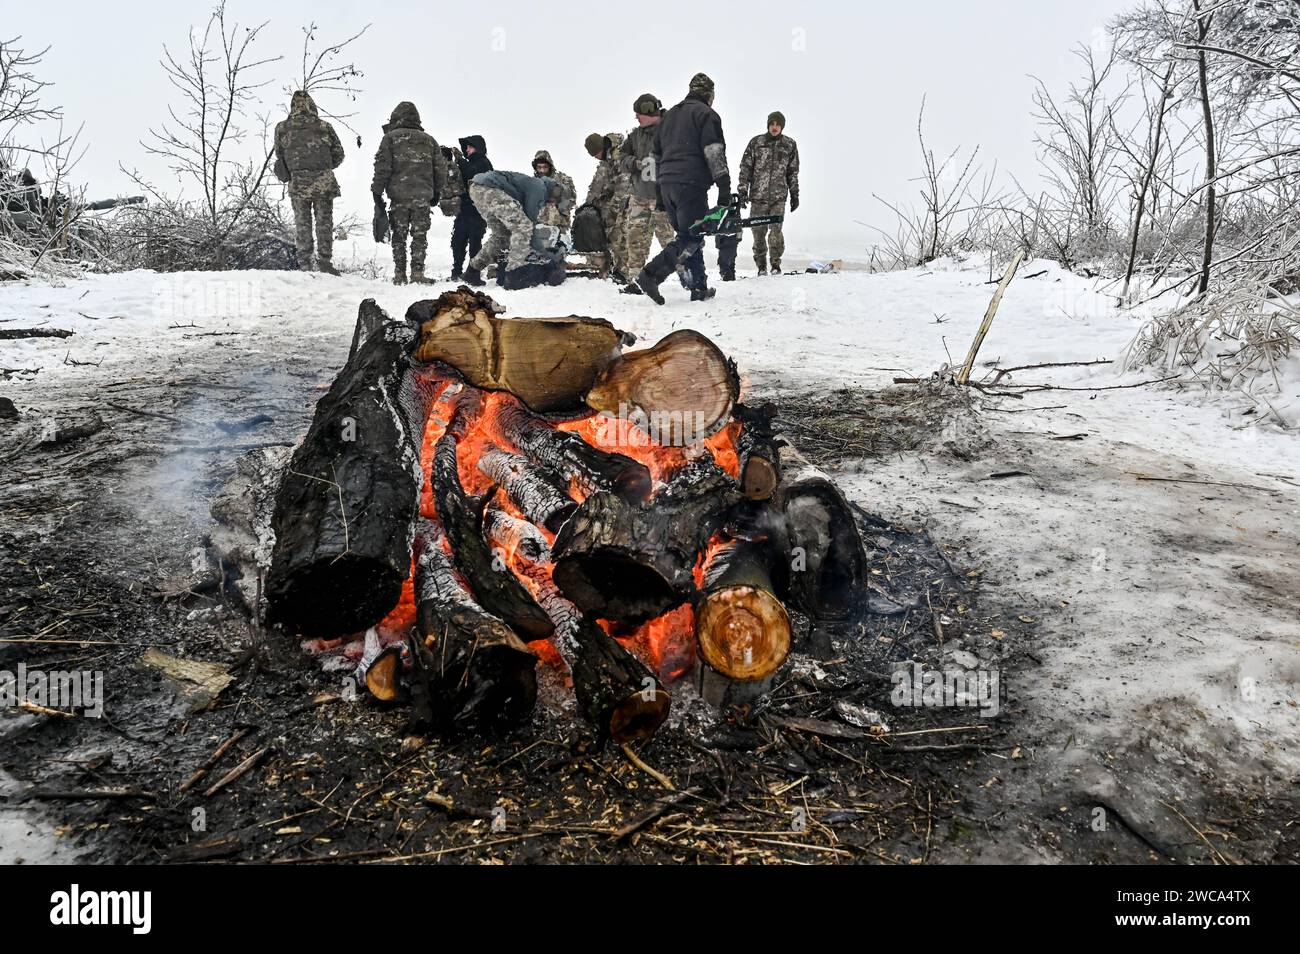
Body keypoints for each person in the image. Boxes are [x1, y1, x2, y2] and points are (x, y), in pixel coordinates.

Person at [634, 72, 732, 304]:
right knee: (691, 237)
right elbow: (714, 152)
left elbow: (654, 158)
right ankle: (650, 275)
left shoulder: (669, 116)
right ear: (709, 94)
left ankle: (698, 287)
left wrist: (660, 194)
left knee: (690, 235)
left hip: (667, 185)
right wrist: (724, 188)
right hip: (690, 184)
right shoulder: (706, 114)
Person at [371, 101, 447, 285]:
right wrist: (437, 191)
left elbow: (382, 167)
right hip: (422, 197)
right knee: (420, 236)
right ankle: (417, 273)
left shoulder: (390, 138)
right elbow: (440, 169)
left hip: (399, 197)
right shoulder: (429, 140)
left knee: (399, 235)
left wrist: (377, 191)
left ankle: (399, 274)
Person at [273, 90, 345, 274]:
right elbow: (339, 154)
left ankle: (305, 264)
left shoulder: (282, 128)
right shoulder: (324, 126)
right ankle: (325, 263)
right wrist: (323, 168)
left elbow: (279, 155)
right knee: (324, 223)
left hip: (298, 183)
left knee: (302, 224)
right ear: (312, 105)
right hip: (323, 182)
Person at [463, 170, 565, 287]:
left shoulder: (532, 186)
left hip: (477, 189)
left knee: (502, 236)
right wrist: (543, 252)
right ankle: (514, 275)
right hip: (490, 189)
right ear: (553, 190)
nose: (553, 202)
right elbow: (529, 223)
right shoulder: (539, 186)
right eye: (555, 197)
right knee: (523, 227)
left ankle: (472, 271)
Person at [618, 94, 677, 279]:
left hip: (664, 199)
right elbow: (621, 158)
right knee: (635, 240)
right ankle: (635, 280)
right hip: (640, 198)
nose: (636, 117)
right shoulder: (635, 135)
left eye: (638, 114)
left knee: (671, 242)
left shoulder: (671, 130)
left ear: (649, 111)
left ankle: (689, 279)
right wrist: (634, 163)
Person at [738, 110, 800, 275]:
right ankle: (761, 267)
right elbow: (745, 168)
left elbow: (792, 172)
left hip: (778, 198)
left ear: (782, 126)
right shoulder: (756, 143)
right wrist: (743, 190)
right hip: (758, 197)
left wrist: (795, 194)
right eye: (772, 124)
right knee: (758, 233)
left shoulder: (789, 145)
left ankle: (775, 265)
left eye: (778, 124)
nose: (774, 127)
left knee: (775, 232)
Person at [582, 132, 633, 282]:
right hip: (613, 201)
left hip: (628, 201)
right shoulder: (606, 161)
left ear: (601, 148)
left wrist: (613, 211)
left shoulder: (619, 156)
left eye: (596, 154)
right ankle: (607, 267)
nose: (596, 158)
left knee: (618, 234)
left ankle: (624, 273)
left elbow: (624, 187)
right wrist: (588, 206)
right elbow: (597, 185)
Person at [450, 135, 492, 281]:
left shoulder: (483, 163)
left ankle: (473, 274)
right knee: (458, 240)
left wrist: (460, 160)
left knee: (475, 243)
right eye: (466, 147)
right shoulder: (469, 163)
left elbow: (471, 174)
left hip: (477, 210)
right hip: (465, 209)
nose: (467, 149)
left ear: (478, 148)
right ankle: (457, 271)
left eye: (470, 147)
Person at [531, 150, 575, 233]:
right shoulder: (532, 182)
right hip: (536, 226)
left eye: (545, 167)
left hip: (558, 226)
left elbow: (570, 197)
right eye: (539, 167)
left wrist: (555, 188)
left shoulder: (562, 179)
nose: (542, 170)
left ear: (550, 167)